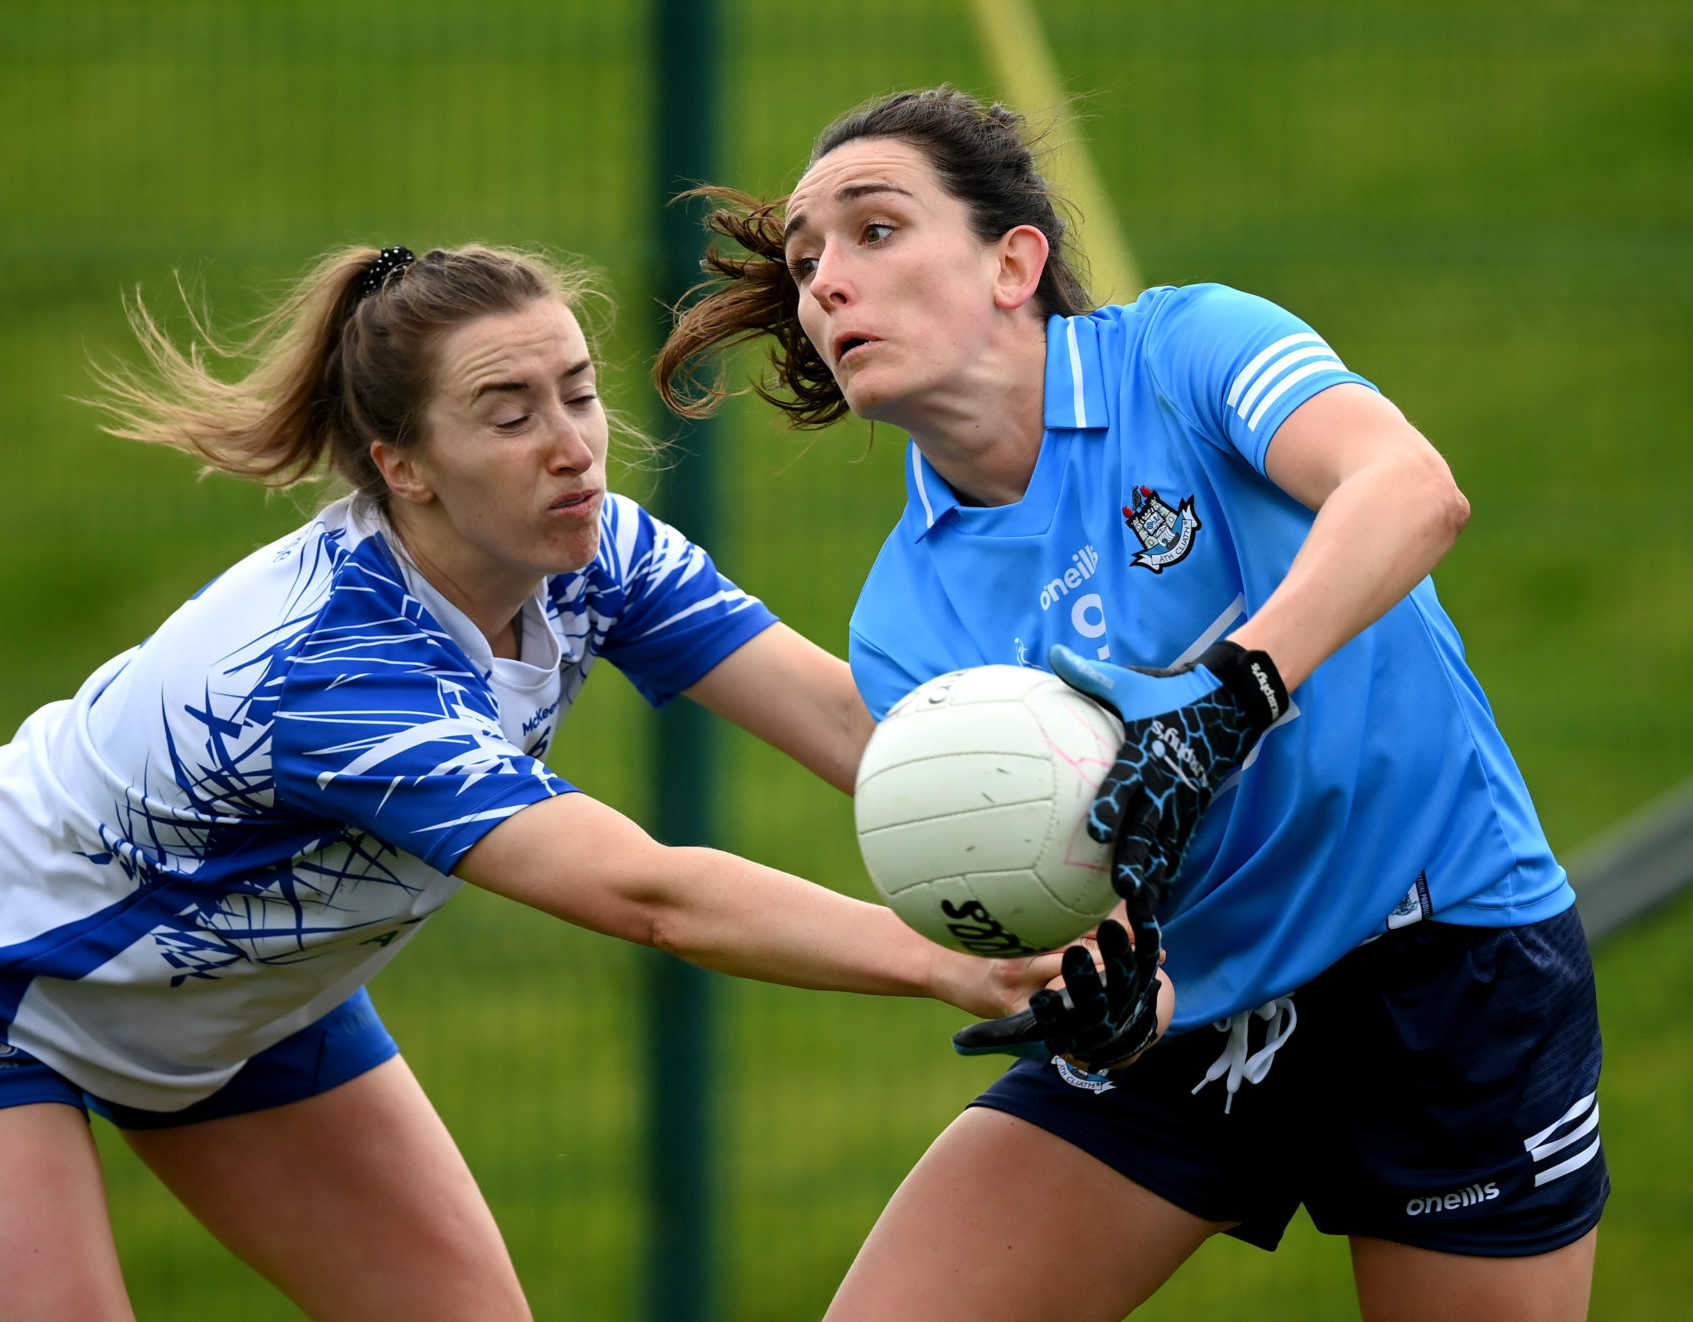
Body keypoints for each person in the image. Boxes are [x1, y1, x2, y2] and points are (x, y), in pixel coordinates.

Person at [0, 241, 1067, 1322]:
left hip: (252, 1004)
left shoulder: (596, 548)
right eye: (508, 411)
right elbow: (650, 895)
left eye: (577, 392)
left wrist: (1072, 838)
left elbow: (855, 727)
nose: (573, 446)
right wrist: (949, 958)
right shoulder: (333, 674)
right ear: (403, 466)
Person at [658, 88, 1604, 1322]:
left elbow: (1409, 488)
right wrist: (1105, 1000)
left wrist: (1230, 699)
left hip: (1442, 966)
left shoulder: (1188, 351)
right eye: (804, 259)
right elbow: (1086, 905)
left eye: (873, 230)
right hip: (1196, 1015)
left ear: (1014, 262)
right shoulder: (905, 626)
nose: (825, 281)